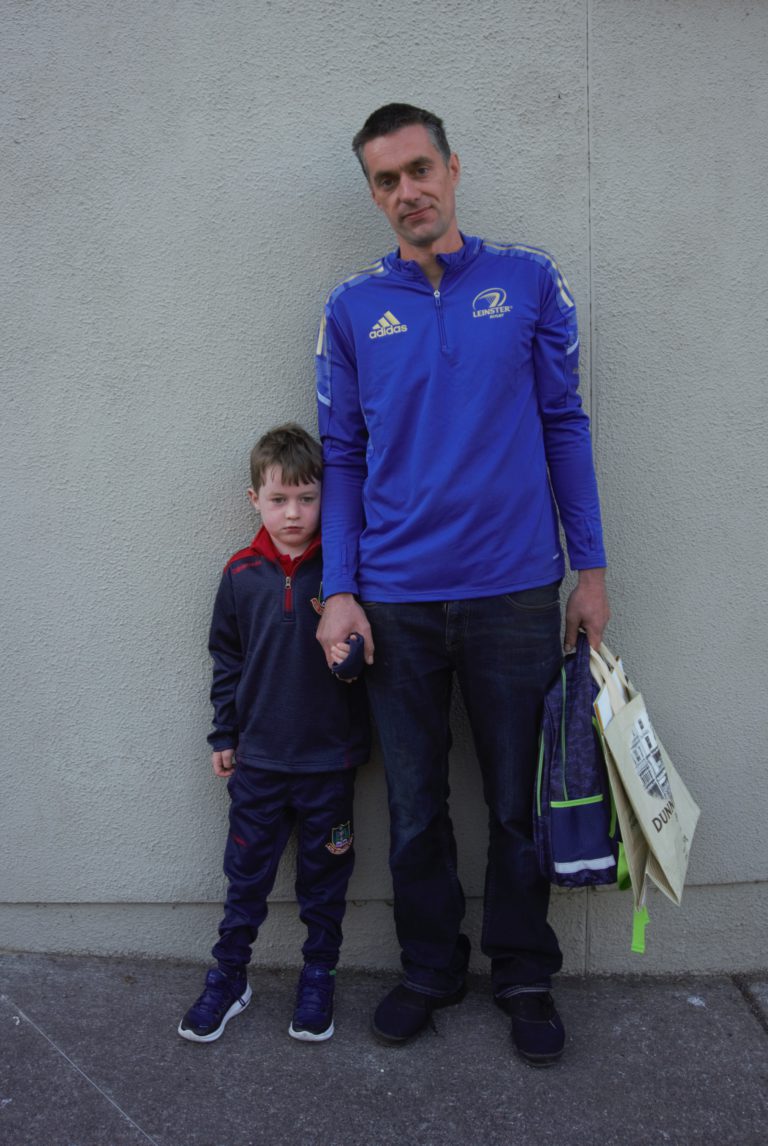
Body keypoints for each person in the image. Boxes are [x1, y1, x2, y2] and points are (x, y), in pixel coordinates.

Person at [314, 104, 610, 1065]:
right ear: (373, 193)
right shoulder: (353, 307)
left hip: (518, 591)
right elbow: (344, 456)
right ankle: (430, 968)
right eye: (385, 180)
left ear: (452, 168)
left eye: (419, 169)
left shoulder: (529, 279)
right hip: (395, 598)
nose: (407, 192)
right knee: (413, 807)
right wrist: (341, 586)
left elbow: (565, 424)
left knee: (519, 803)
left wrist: (590, 570)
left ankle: (523, 969)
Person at [178, 423, 370, 1044]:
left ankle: (319, 975)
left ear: (326, 501)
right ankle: (230, 976)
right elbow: (226, 661)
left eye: (307, 499)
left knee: (325, 879)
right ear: (254, 499)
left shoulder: (343, 576)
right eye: (279, 499)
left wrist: (357, 659)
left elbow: (373, 651)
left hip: (329, 763)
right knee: (247, 877)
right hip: (258, 761)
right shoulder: (239, 574)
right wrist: (223, 734)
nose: (293, 513)